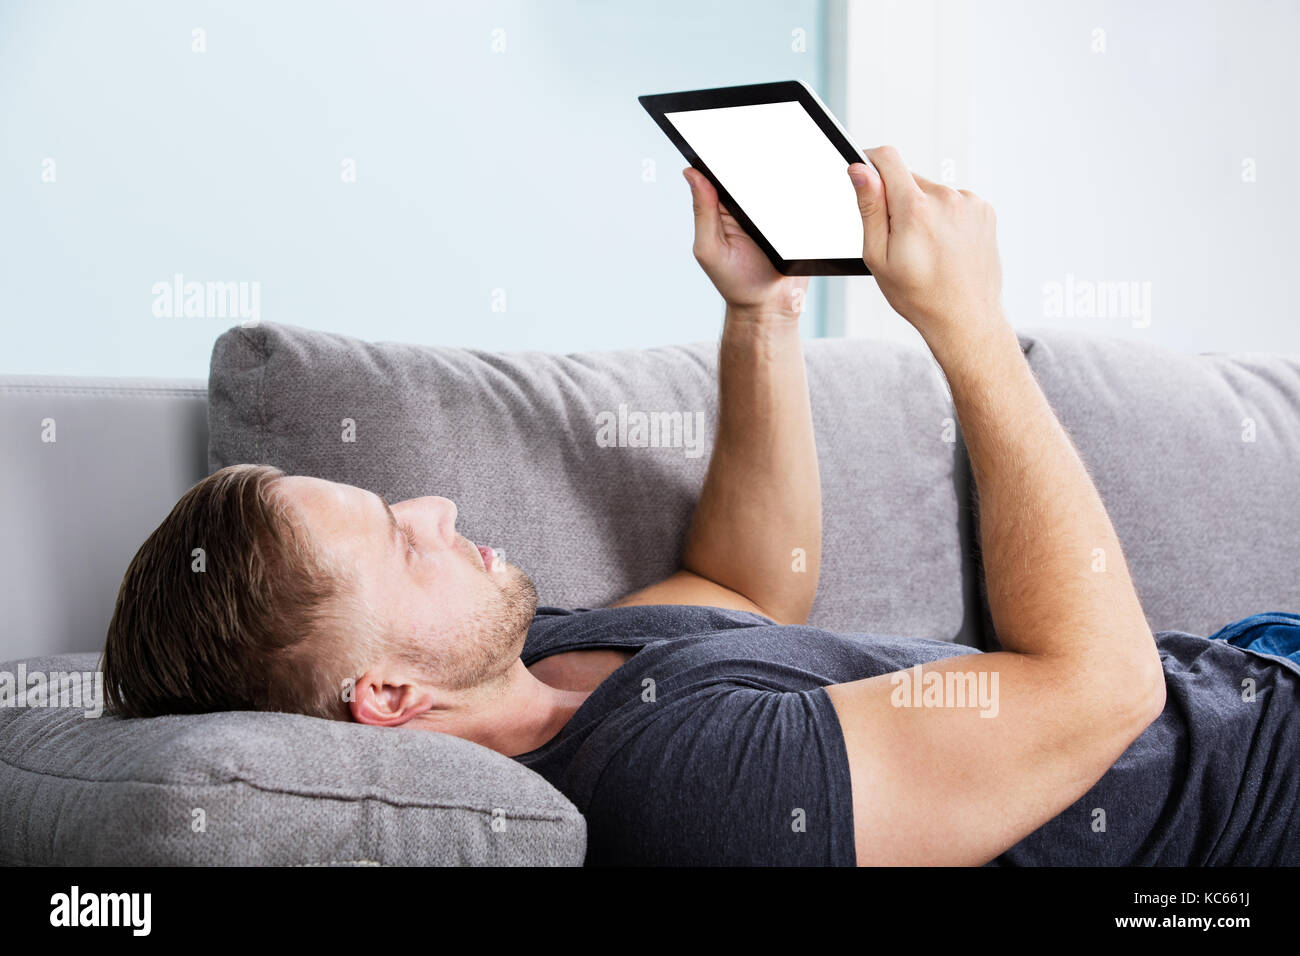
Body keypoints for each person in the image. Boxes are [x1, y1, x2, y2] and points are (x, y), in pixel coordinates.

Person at [102, 147, 1300, 865]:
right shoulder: (683, 789)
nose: (432, 504)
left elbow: (746, 588)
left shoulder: (537, 664)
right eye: (395, 539)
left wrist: (757, 310)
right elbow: (1104, 691)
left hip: (1246, 660)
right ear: (386, 697)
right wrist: (971, 326)